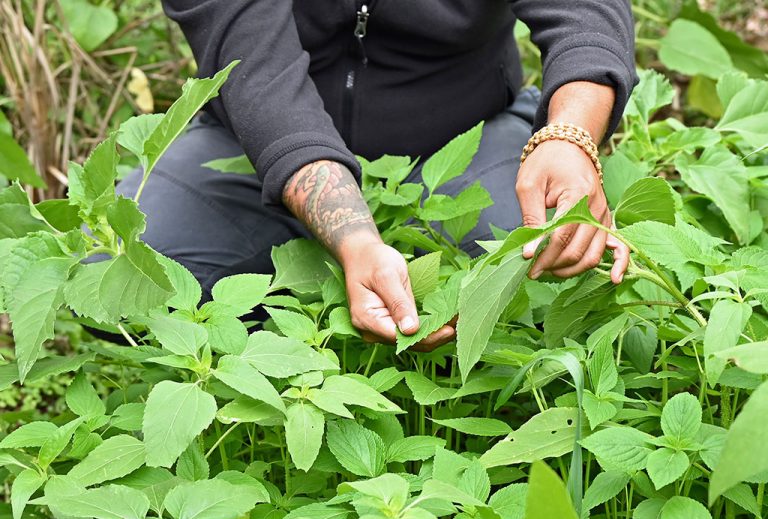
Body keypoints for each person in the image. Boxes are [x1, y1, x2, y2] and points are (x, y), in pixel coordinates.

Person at [121, 1, 637, 350]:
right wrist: (354, 239)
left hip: (464, 135)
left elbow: (586, 14)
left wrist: (570, 136)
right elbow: (257, 77)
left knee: (549, 258)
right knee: (119, 266)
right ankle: (287, 349)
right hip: (253, 147)